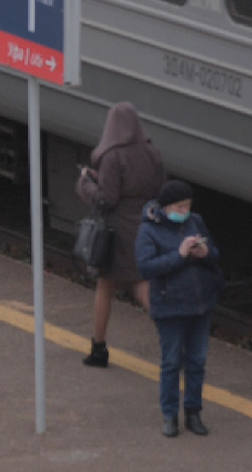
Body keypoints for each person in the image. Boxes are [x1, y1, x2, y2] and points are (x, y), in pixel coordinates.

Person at [76, 101, 165, 367]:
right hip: (148, 227)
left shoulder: (113, 156)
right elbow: (162, 189)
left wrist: (85, 184)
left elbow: (107, 199)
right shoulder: (152, 153)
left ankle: (99, 348)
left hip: (118, 232)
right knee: (144, 282)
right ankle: (174, 342)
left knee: (106, 285)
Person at [136, 179, 224, 438]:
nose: (184, 212)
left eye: (187, 206)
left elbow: (215, 256)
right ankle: (170, 415)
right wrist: (180, 254)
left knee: (197, 362)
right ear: (165, 207)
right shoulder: (148, 231)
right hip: (170, 307)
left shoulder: (195, 222)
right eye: (179, 207)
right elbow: (146, 267)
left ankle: (194, 412)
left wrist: (205, 253)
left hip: (200, 306)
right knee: (172, 362)